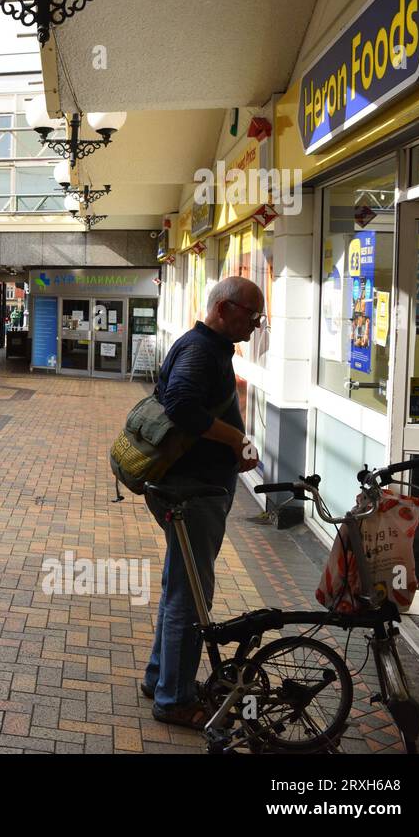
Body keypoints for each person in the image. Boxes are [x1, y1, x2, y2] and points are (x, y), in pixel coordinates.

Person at [143, 275, 263, 729]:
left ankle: (161, 679)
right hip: (193, 493)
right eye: (252, 315)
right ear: (225, 308)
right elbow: (181, 406)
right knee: (190, 597)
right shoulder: (200, 349)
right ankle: (174, 699)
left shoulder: (206, 346)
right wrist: (235, 438)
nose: (256, 324)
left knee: (180, 588)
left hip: (193, 490)